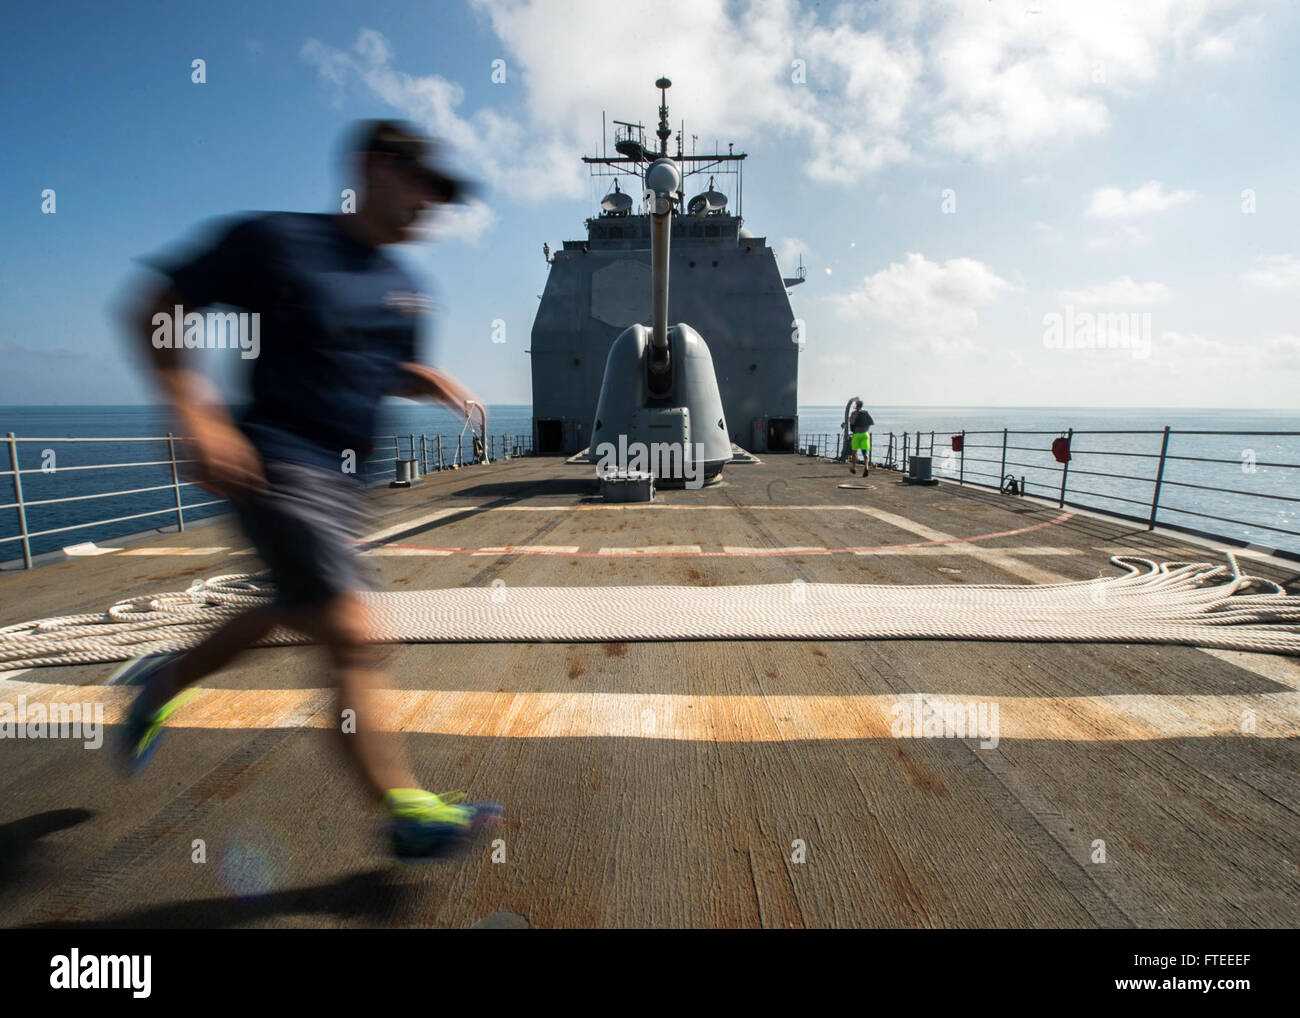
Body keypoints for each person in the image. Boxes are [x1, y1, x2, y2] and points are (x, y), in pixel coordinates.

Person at [114, 120, 500, 862]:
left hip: (348, 484)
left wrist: (430, 381)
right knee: (355, 633)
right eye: (422, 183)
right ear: (373, 167)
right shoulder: (276, 240)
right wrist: (192, 409)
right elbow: (154, 306)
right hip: (275, 464)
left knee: (287, 608)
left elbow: (374, 367)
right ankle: (405, 809)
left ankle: (161, 680)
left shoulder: (406, 288)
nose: (431, 204)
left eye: (440, 195)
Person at [847, 399, 873, 476]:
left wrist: (851, 419)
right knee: (865, 453)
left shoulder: (854, 413)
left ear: (856, 405)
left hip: (857, 434)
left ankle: (854, 467)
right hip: (865, 434)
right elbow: (871, 422)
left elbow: (852, 422)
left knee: (854, 452)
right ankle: (866, 467)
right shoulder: (866, 413)